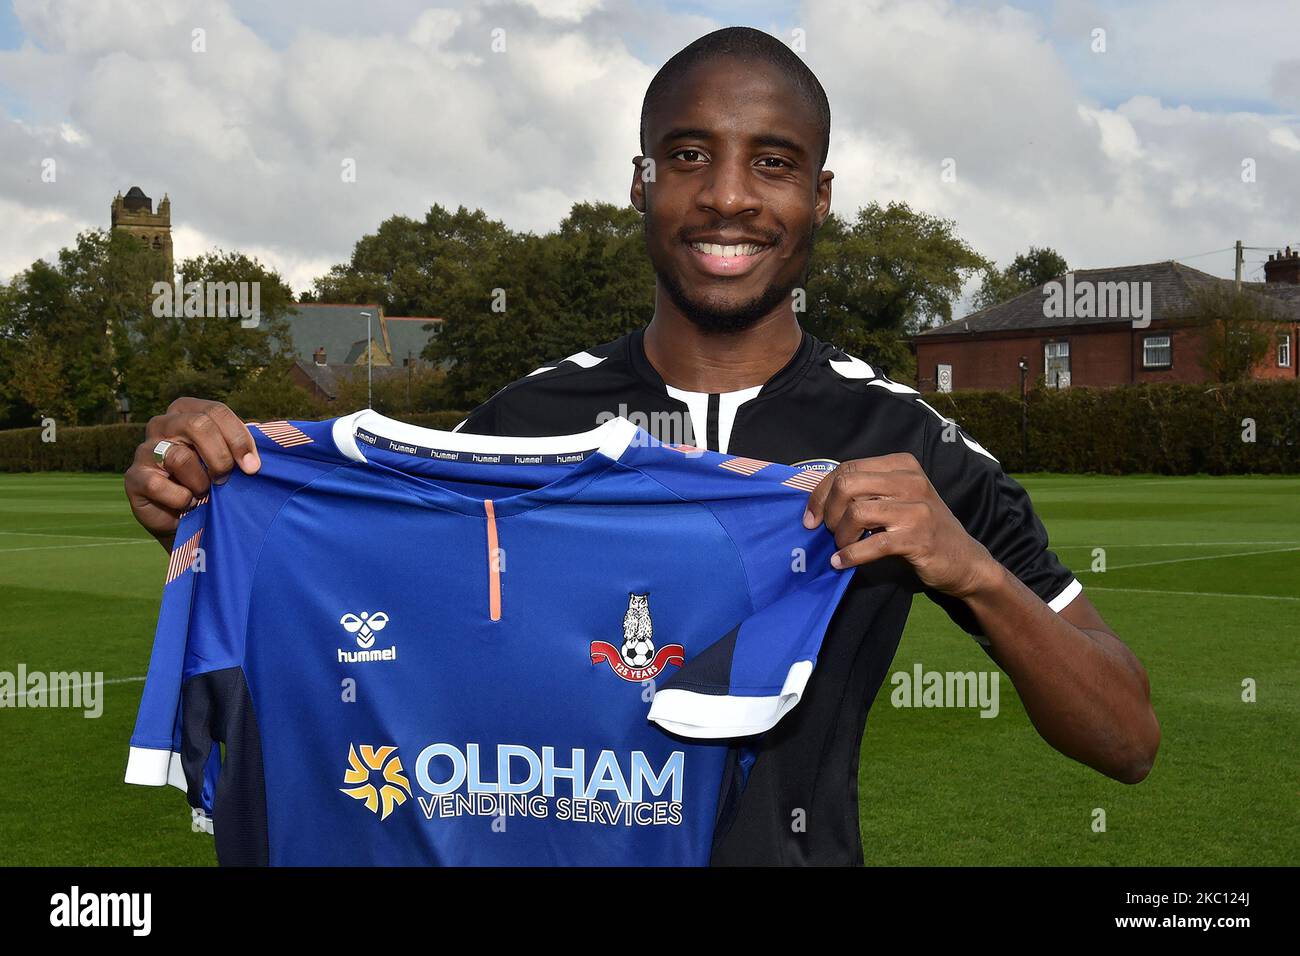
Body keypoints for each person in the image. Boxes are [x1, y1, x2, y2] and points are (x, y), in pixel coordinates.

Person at [124, 27, 1158, 866]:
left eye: (774, 163)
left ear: (820, 198)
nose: (727, 197)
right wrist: (211, 492)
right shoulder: (521, 424)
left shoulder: (904, 442)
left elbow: (1126, 737)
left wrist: (969, 568)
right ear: (640, 179)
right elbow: (370, 628)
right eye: (689, 155)